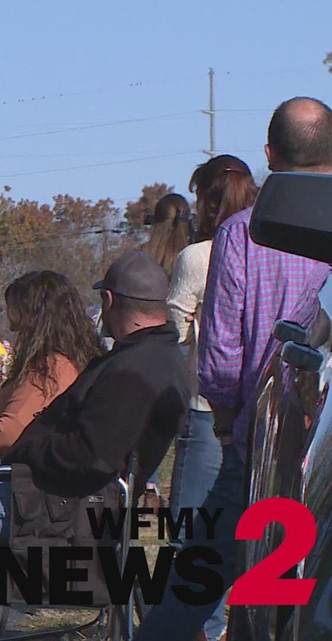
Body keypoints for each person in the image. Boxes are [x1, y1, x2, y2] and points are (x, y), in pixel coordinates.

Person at [0, 251, 188, 641]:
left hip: (57, 504)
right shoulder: (157, 359)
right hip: (59, 496)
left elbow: (90, 456)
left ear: (110, 301)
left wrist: (24, 451)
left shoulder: (132, 370)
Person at [136, 97, 332, 641]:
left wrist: (228, 428)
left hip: (264, 450)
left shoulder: (243, 233)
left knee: (195, 593)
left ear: (269, 153)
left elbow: (221, 353)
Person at [164, 154, 258, 641]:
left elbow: (175, 330)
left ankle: (197, 627)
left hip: (207, 411)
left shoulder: (199, 256)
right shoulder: (274, 247)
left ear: (206, 199)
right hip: (265, 414)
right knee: (250, 531)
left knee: (192, 534)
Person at [0, 271, 102, 480]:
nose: (14, 331)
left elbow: (10, 429)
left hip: (7, 485)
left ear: (36, 321)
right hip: (8, 479)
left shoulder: (52, 367)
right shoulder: (57, 363)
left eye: (19, 324)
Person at [137, 192, 193, 507]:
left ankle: (147, 534)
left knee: (146, 450)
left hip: (146, 360)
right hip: (186, 359)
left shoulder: (141, 260)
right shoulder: (198, 257)